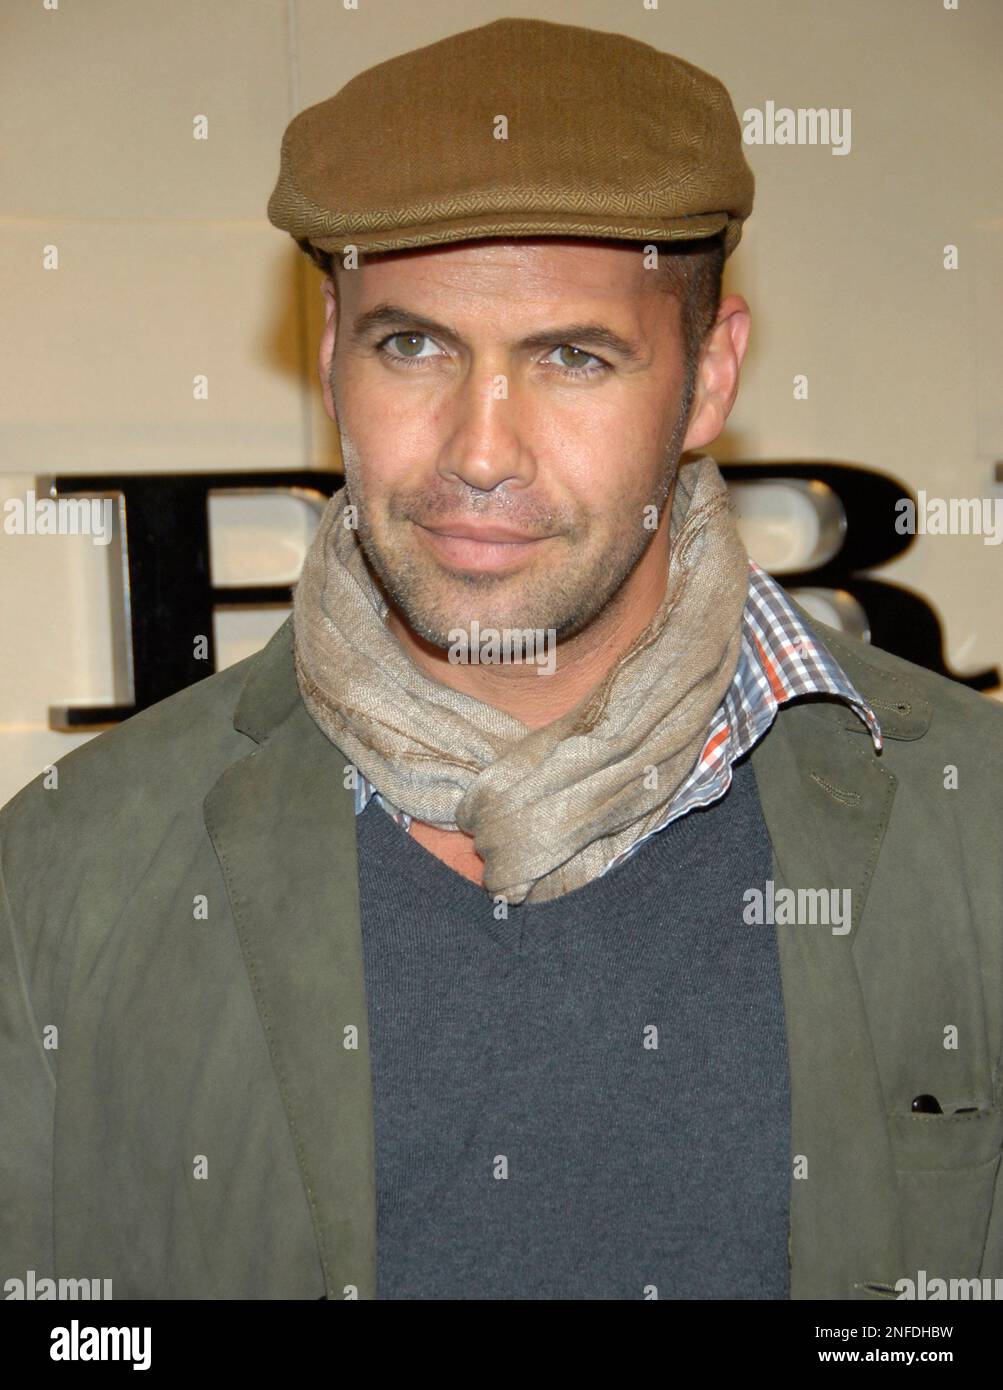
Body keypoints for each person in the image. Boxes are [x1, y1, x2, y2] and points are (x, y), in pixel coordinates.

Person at [2, 17, 1002, 1302]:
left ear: (707, 379)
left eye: (573, 358)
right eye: (410, 345)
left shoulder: (973, 836)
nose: (480, 450)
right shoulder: (67, 872)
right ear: (327, 355)